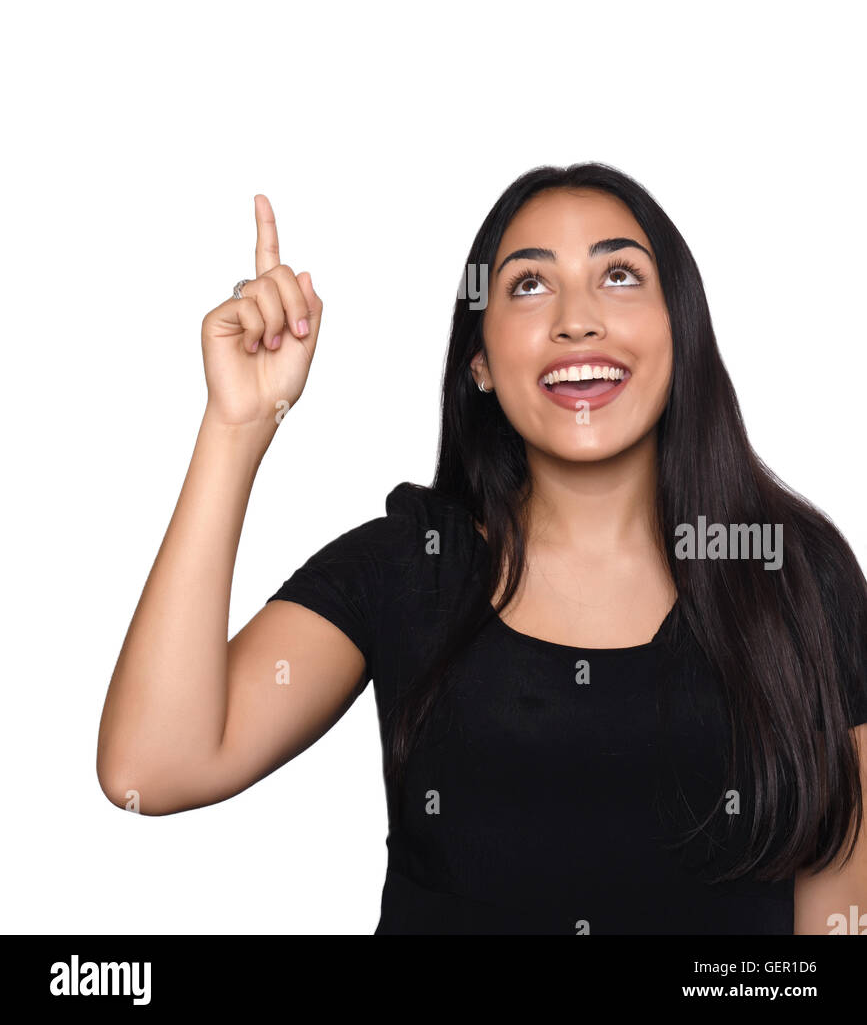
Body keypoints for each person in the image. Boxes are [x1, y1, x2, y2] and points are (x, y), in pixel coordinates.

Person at [97, 164, 867, 934]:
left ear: (681, 329)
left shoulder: (796, 575)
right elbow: (151, 769)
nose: (576, 320)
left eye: (620, 275)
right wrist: (237, 426)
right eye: (529, 286)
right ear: (481, 363)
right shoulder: (403, 569)